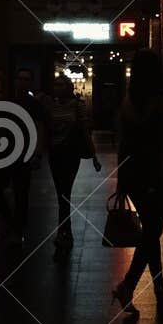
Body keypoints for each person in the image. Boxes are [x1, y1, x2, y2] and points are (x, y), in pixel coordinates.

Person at [111, 51, 163, 316]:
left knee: (150, 231)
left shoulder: (128, 103)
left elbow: (123, 143)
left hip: (132, 174)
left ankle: (159, 285)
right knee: (152, 231)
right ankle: (129, 285)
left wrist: (121, 180)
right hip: (155, 173)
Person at [43, 74, 100, 251]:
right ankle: (65, 230)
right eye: (56, 84)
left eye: (61, 84)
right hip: (55, 153)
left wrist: (94, 156)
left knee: (64, 192)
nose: (57, 87)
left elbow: (84, 131)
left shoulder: (77, 106)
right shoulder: (50, 105)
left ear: (68, 88)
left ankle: (64, 230)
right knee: (61, 192)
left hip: (70, 154)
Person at [0, 68, 44, 246]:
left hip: (22, 153)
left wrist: (37, 152)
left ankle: (15, 228)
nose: (22, 82)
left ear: (29, 82)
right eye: (20, 78)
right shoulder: (10, 100)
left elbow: (39, 128)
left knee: (20, 193)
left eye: (25, 79)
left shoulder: (32, 104)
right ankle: (13, 226)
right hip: (6, 152)